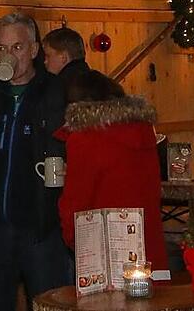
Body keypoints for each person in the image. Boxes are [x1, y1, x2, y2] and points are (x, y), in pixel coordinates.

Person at [0, 12, 70, 311]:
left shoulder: (57, 92)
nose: (9, 55)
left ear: (34, 50)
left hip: (42, 229)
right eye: (2, 49)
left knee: (50, 306)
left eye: (17, 48)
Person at [54, 71, 166, 274]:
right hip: (147, 242)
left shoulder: (85, 138)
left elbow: (76, 201)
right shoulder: (144, 130)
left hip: (103, 249)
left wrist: (72, 238)